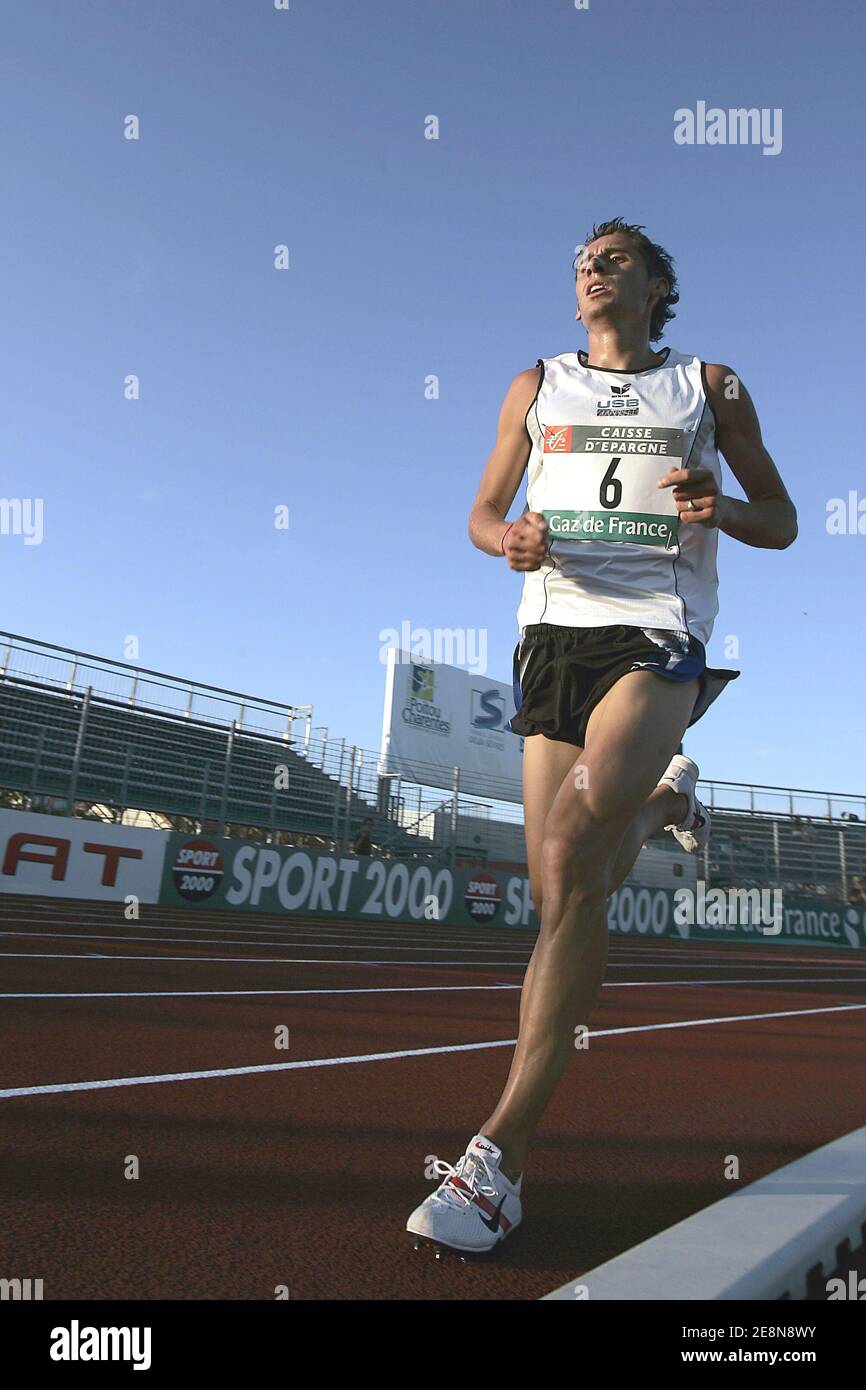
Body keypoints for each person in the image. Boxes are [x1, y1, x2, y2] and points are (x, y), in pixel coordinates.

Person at [406, 217, 797, 1256]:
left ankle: (496, 1161)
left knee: (575, 854)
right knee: (558, 890)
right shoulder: (531, 386)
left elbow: (783, 519)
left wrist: (721, 505)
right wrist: (510, 540)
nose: (589, 269)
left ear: (658, 283)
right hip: (550, 639)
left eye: (612, 257)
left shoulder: (710, 386)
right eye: (581, 259)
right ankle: (667, 798)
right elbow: (484, 514)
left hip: (653, 632)